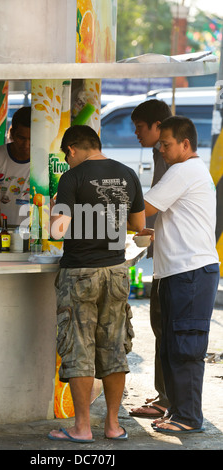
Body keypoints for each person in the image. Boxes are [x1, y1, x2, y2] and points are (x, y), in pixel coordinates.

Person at [48, 125, 145, 443]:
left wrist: (57, 208)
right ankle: (114, 426)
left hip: (80, 274)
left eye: (66, 155)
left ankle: (82, 427)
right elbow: (138, 225)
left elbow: (58, 230)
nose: (67, 161)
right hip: (116, 270)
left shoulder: (72, 178)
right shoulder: (128, 173)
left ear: (72, 149)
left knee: (79, 350)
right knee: (114, 348)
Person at [137, 116, 219, 433]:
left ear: (185, 144)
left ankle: (188, 417)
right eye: (160, 143)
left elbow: (143, 205)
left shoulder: (183, 170)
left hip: (191, 272)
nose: (161, 148)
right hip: (179, 271)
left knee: (185, 348)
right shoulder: (189, 170)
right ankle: (177, 410)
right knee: (173, 345)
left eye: (166, 143)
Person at [129, 99, 172, 419]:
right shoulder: (162, 155)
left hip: (176, 261)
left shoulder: (173, 159)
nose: (136, 134)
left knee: (167, 328)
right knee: (162, 327)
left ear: (158, 127)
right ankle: (165, 396)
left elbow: (150, 205)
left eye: (140, 128)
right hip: (164, 254)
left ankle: (167, 399)